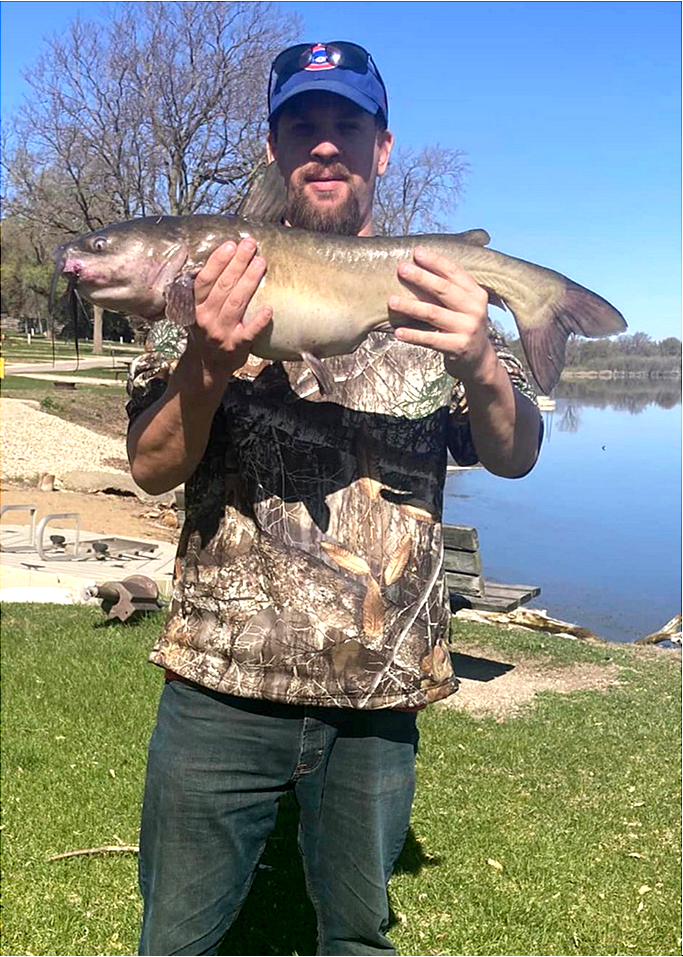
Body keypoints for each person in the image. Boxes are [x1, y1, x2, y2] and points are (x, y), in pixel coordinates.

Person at [126, 40, 543, 957]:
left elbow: (513, 455)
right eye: (301, 125)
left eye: (346, 125)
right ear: (274, 148)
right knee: (176, 942)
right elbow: (151, 466)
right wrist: (207, 362)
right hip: (218, 685)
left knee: (356, 939)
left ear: (380, 148)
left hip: (378, 691)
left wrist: (480, 360)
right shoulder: (207, 278)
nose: (324, 144)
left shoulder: (435, 290)